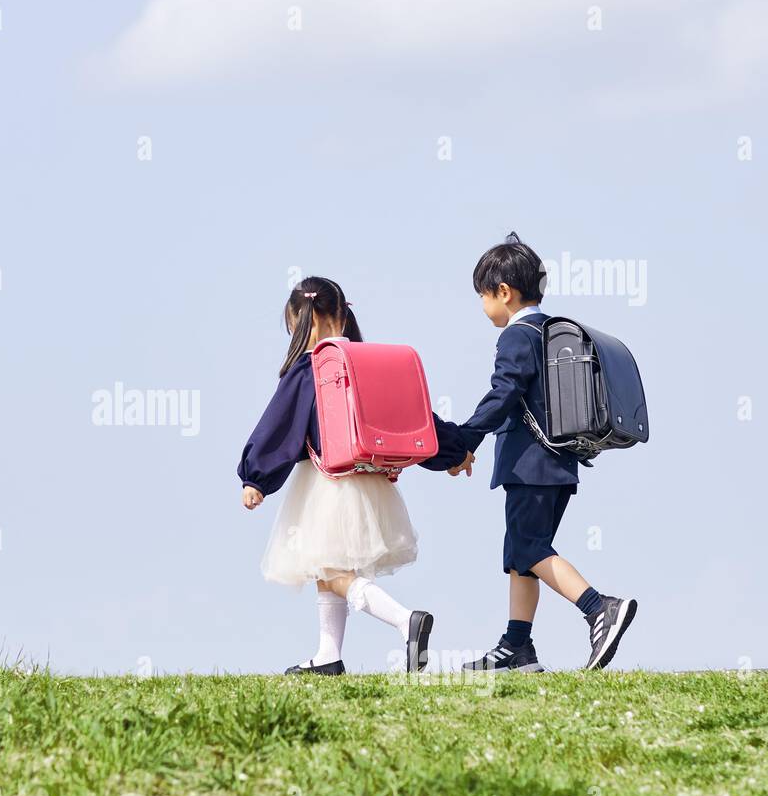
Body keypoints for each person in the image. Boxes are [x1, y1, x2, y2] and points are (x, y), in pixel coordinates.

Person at [239, 276, 471, 675]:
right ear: (343, 315)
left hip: (328, 484)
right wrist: (454, 451)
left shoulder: (310, 369)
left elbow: (280, 425)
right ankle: (328, 654)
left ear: (302, 321)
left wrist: (256, 477)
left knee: (330, 568)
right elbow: (414, 418)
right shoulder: (368, 363)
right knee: (326, 568)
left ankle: (405, 620)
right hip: (372, 483)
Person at [449, 233, 637, 672]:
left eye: (482, 295)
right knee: (522, 553)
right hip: (559, 464)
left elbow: (503, 395)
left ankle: (599, 608)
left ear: (504, 293)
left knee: (530, 548)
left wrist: (465, 439)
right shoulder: (550, 331)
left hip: (529, 464)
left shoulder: (517, 337)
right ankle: (517, 646)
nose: (481, 305)